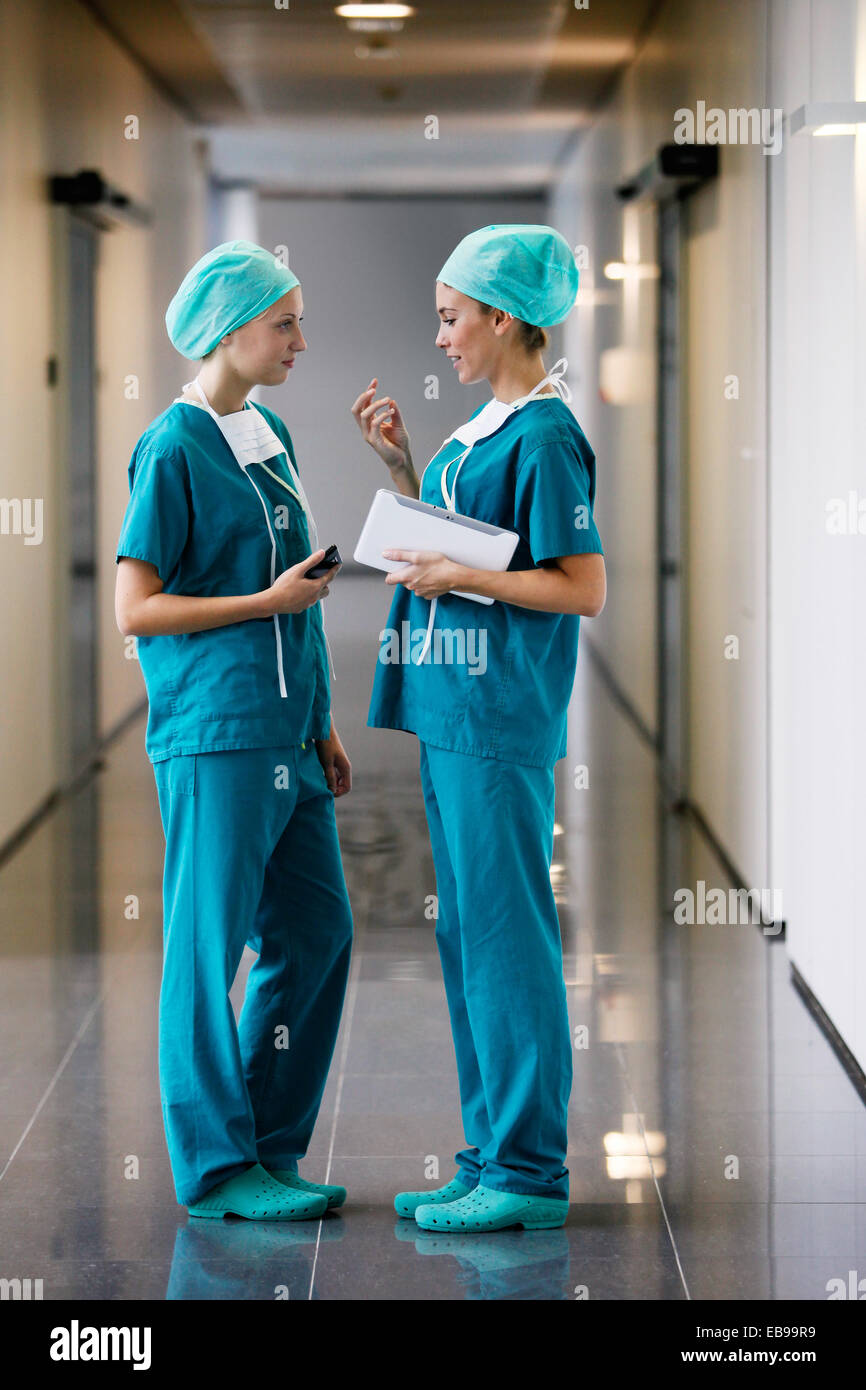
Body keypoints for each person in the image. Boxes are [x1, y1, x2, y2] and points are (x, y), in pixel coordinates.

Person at [351, 224, 606, 1233]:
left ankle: (530, 1174)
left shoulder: (543, 436)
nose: (443, 338)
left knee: (505, 939)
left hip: (497, 718)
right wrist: (403, 471)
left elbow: (579, 586)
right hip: (453, 708)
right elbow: (463, 545)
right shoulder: (486, 427)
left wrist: (457, 575)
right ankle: (487, 1155)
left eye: (453, 318)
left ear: (505, 317)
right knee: (466, 936)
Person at [115, 240, 353, 1221]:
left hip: (288, 730)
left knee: (317, 929)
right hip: (215, 734)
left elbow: (303, 594)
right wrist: (259, 600)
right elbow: (138, 606)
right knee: (207, 947)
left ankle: (264, 1141)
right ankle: (216, 1170)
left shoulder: (268, 432)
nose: (301, 338)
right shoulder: (171, 447)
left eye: (298, 319)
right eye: (283, 322)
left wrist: (324, 721)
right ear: (227, 329)